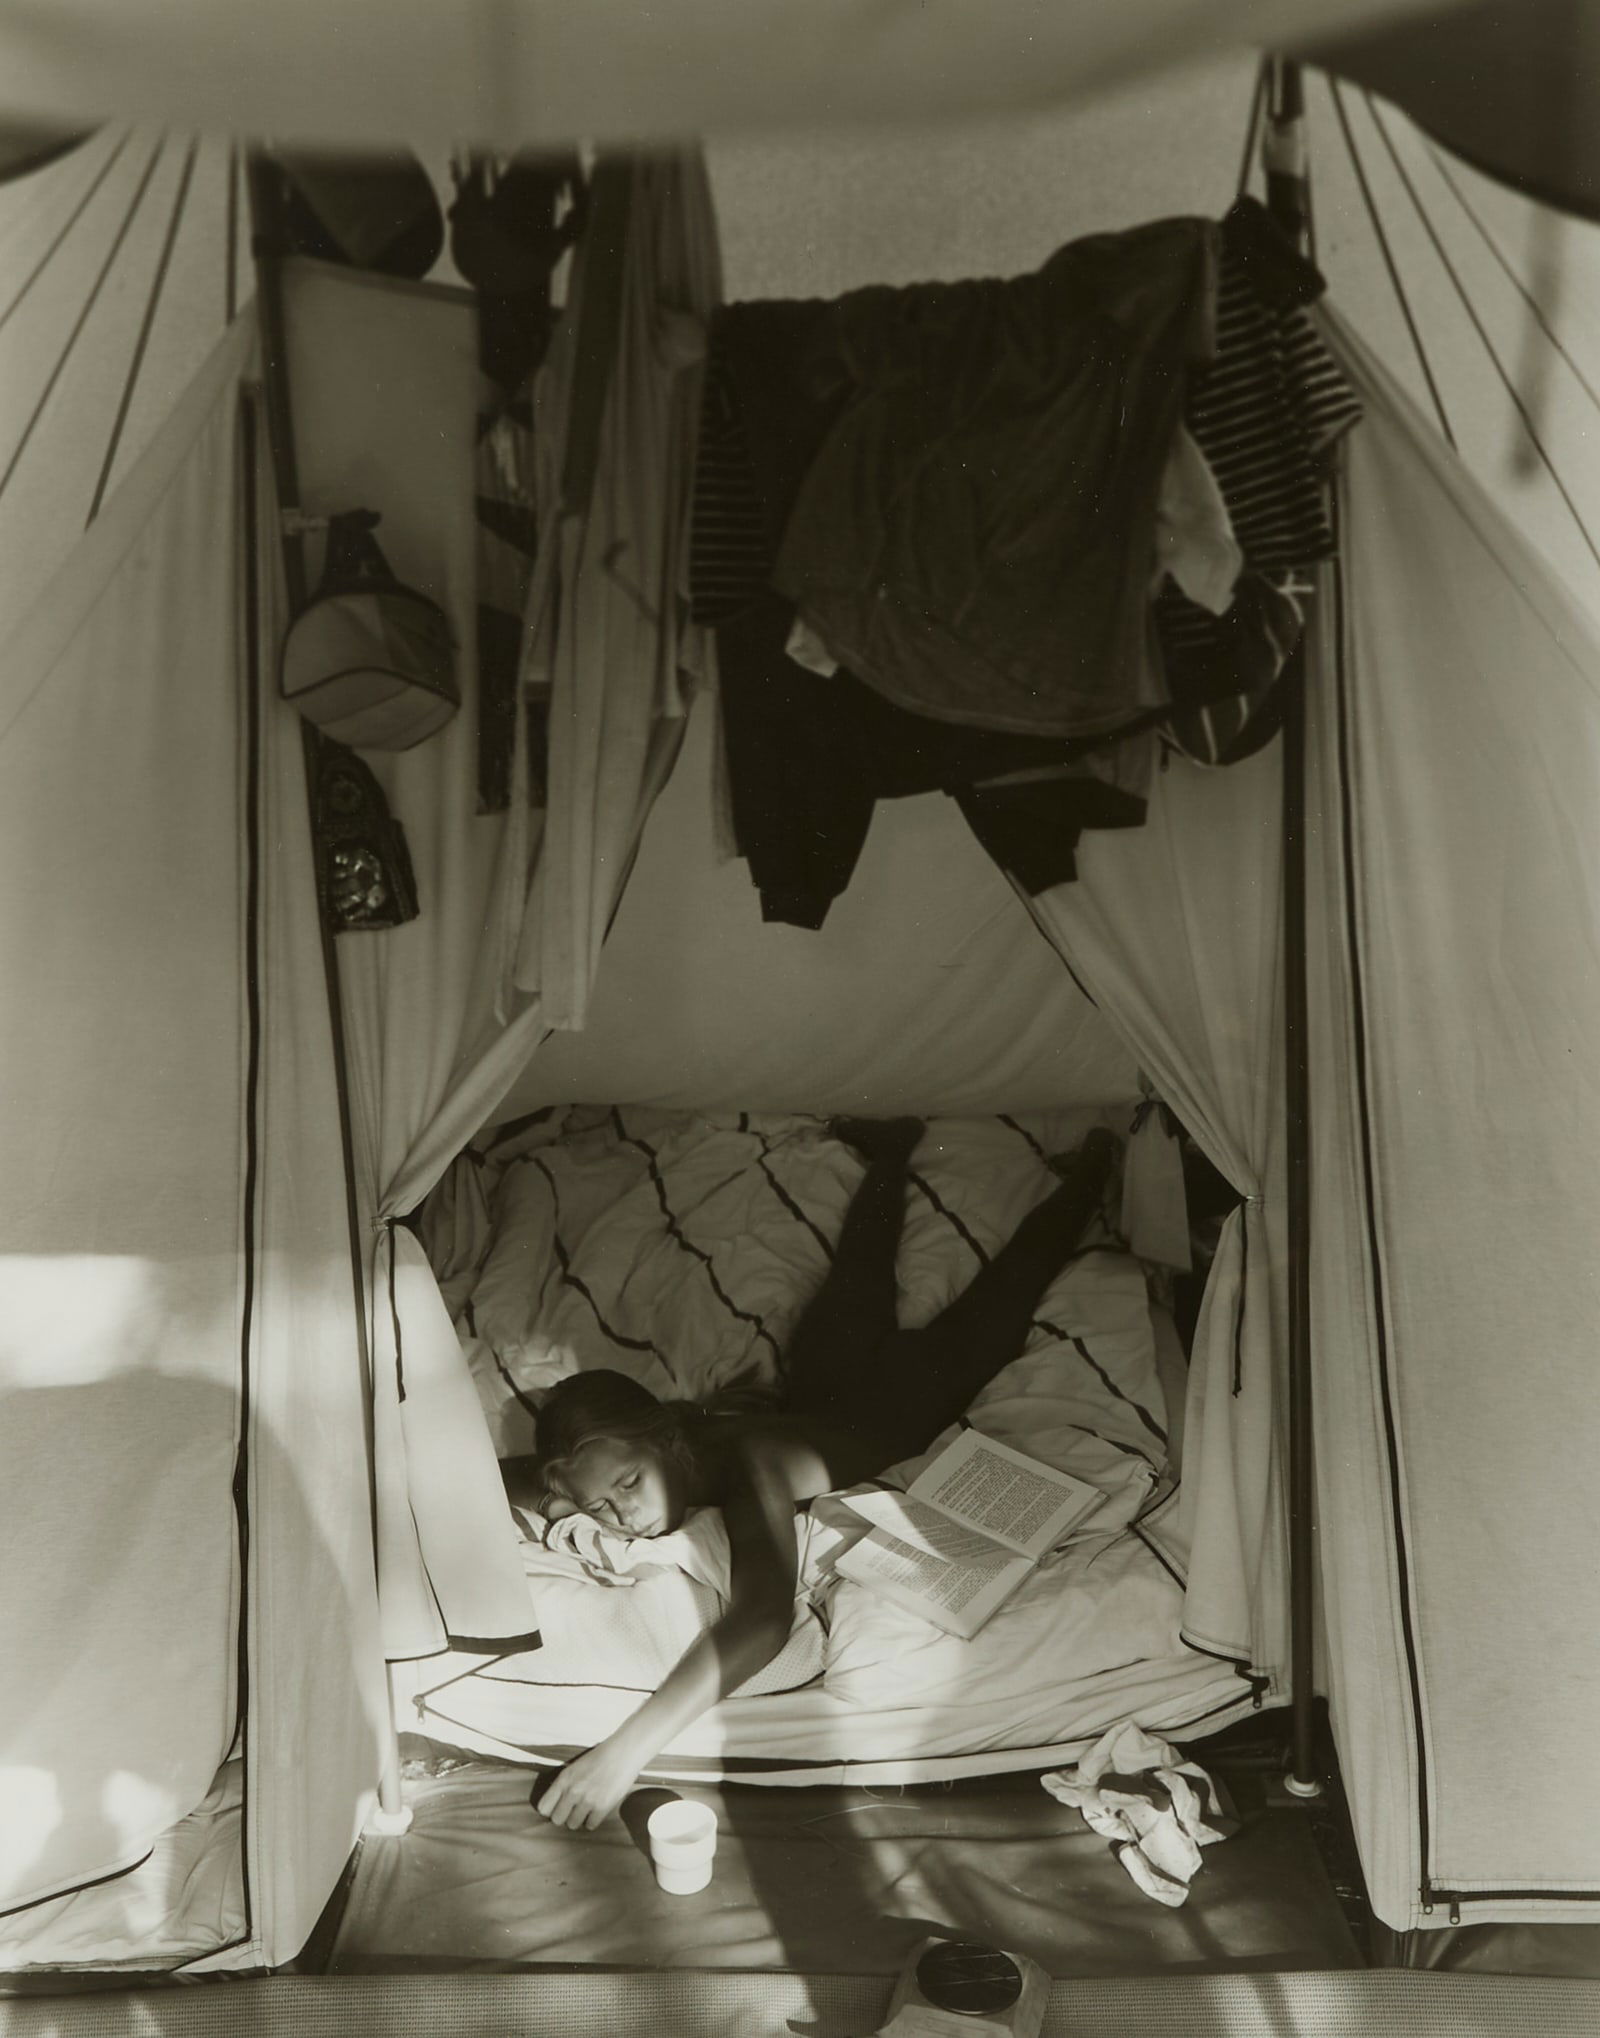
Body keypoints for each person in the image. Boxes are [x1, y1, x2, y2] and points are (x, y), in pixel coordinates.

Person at [507, 1117, 1117, 1830]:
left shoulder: (749, 1462)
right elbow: (505, 1477)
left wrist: (624, 1752)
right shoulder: (632, 1454)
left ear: (666, 1439)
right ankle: (893, 1147)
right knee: (856, 1280)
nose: (623, 1517)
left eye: (630, 1487)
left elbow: (764, 1620)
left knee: (1006, 1281)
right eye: (602, 1508)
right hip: (821, 1395)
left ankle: (1093, 1170)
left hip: (907, 1399)